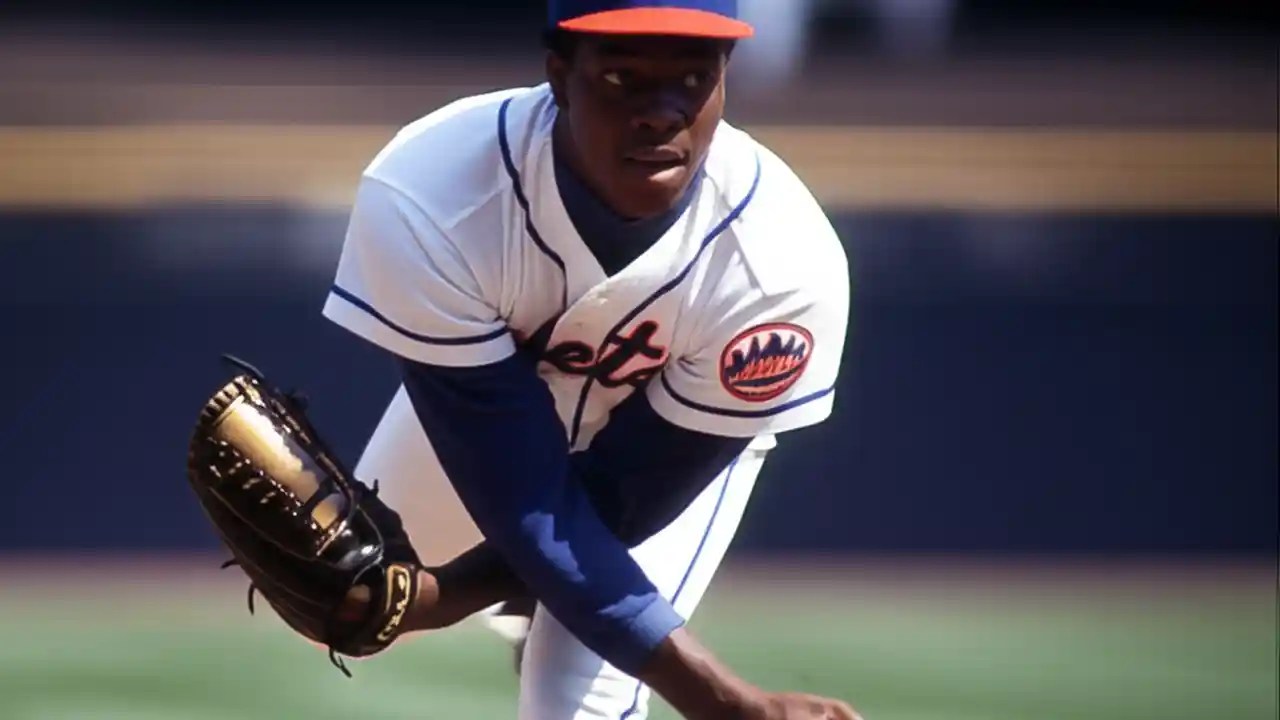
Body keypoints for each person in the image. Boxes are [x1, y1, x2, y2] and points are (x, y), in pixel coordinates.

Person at [322, 1, 858, 717]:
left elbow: (622, 499)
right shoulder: (432, 190)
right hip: (496, 437)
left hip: (652, 452)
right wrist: (442, 598)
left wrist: (724, 702)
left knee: (581, 704)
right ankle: (524, 610)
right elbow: (521, 493)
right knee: (343, 599)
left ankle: (534, 615)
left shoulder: (783, 264)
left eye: (693, 80)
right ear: (558, 75)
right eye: (623, 78)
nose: (661, 113)